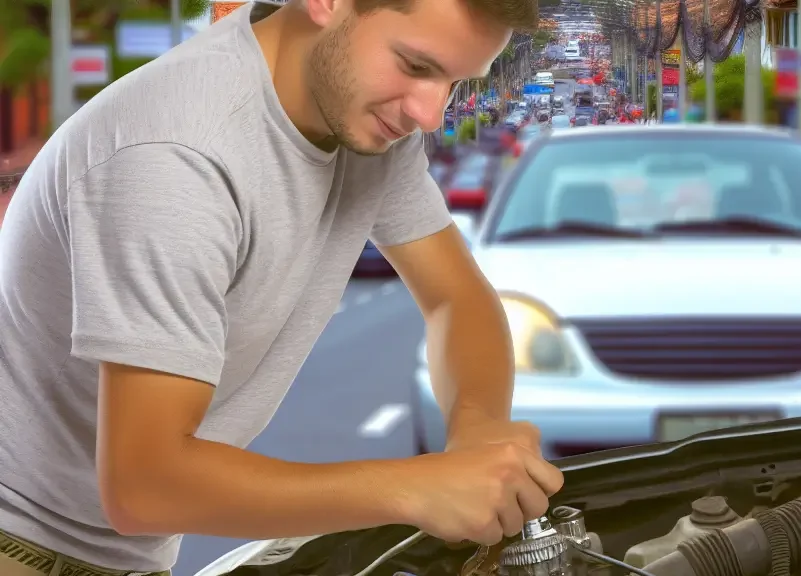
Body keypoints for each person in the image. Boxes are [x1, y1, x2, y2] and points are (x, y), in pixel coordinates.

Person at [0, 0, 563, 574]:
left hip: (118, 553)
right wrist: (415, 487)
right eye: (416, 66)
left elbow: (456, 296)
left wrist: (479, 429)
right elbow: (145, 486)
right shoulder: (177, 157)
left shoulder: (363, 122)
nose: (429, 113)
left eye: (454, 81)